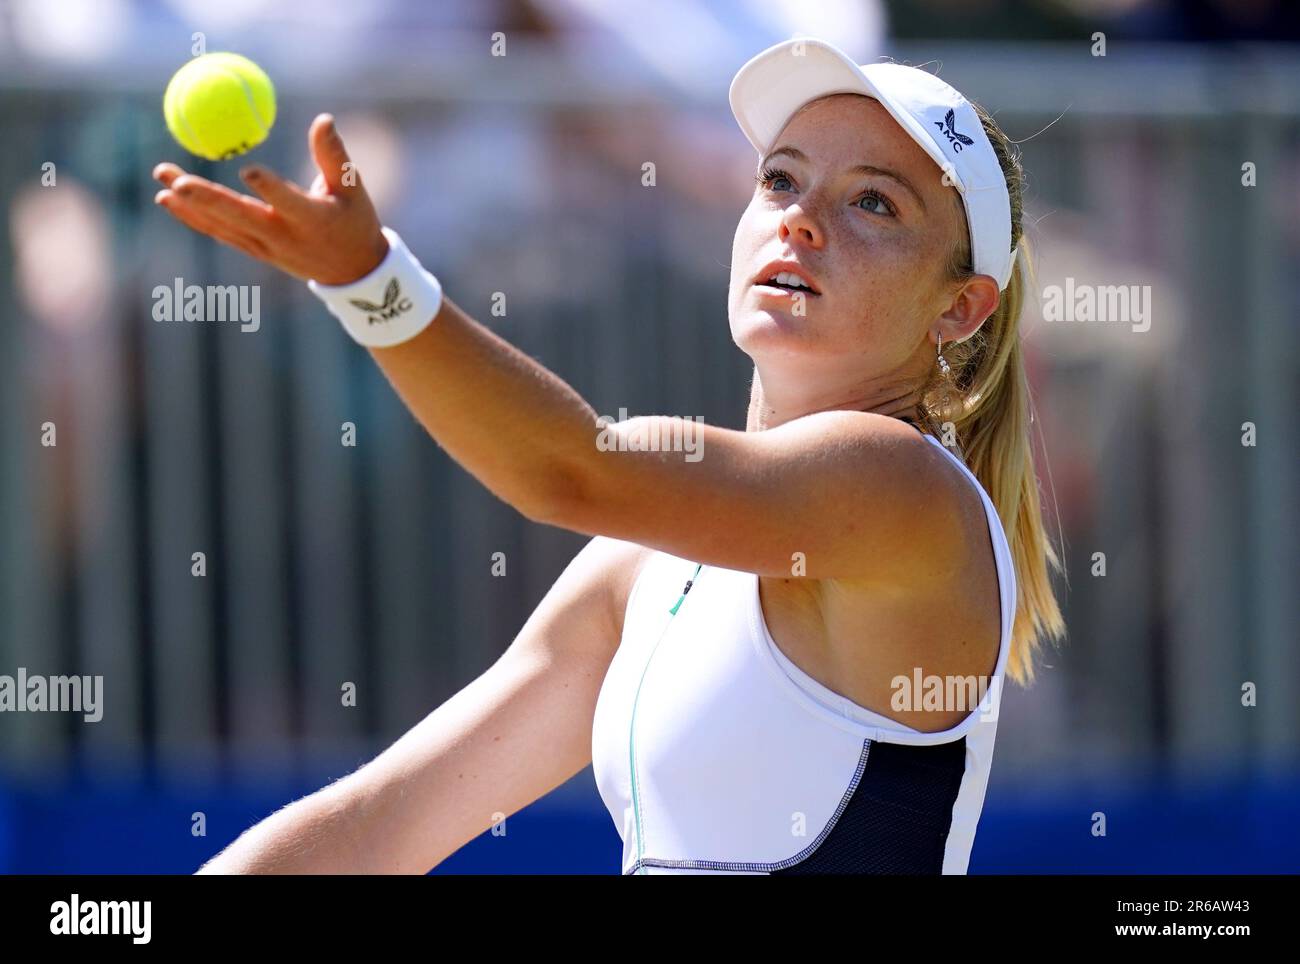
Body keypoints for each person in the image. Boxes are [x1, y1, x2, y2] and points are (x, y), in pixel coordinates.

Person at [161, 37, 1064, 875]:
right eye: (780, 180)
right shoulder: (641, 567)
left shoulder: (902, 487)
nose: (801, 221)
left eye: (874, 201)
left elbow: (570, 469)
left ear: (961, 309)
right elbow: (387, 821)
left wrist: (370, 280)